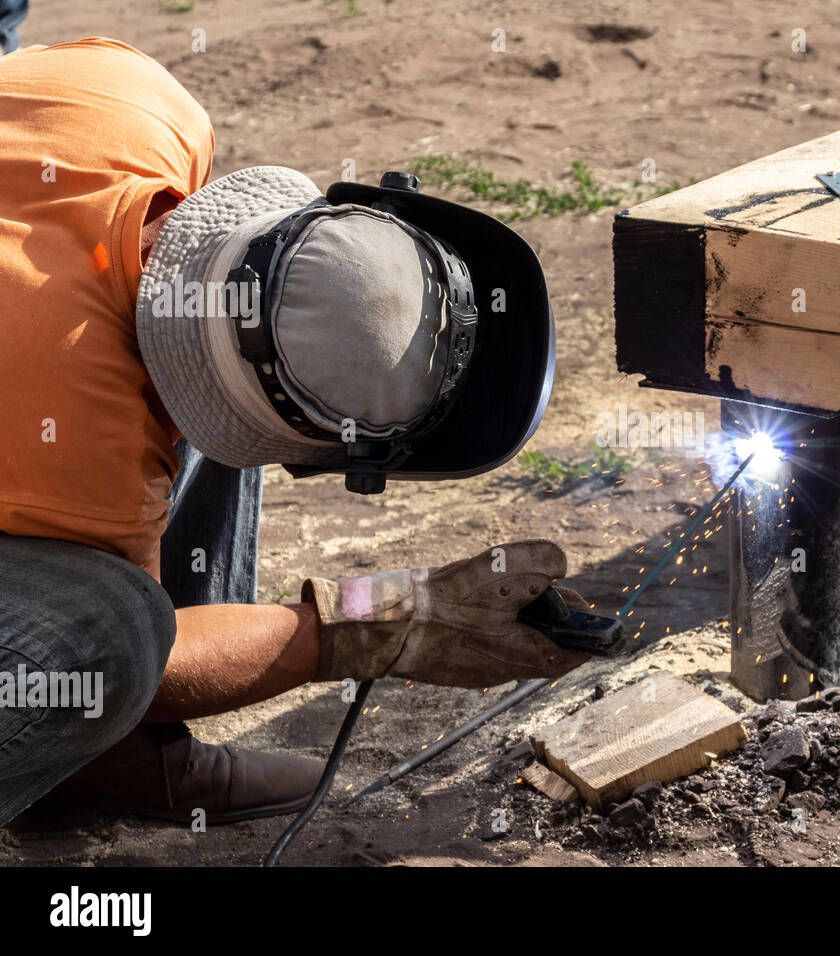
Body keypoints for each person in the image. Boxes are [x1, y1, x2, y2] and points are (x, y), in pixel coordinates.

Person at [0, 37, 587, 827]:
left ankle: (116, 758)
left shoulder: (131, 100)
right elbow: (148, 662)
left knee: (226, 345)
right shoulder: (78, 458)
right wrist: (382, 623)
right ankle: (100, 764)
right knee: (111, 623)